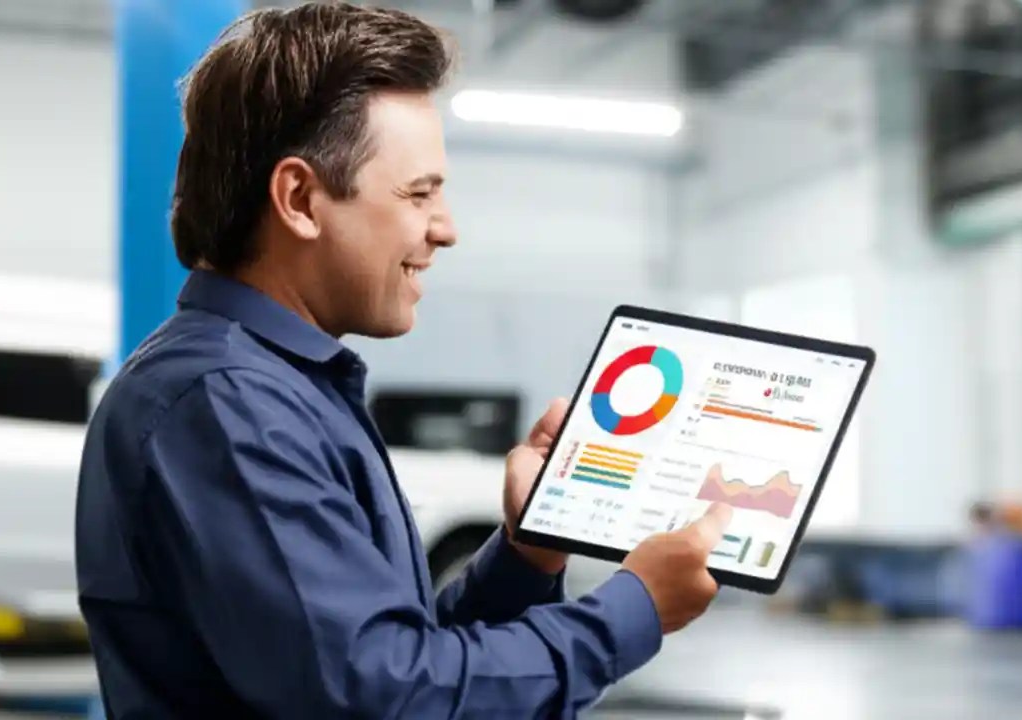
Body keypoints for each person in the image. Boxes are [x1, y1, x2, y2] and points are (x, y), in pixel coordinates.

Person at [75, 3, 732, 717]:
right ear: (300, 198)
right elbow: (383, 697)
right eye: (419, 194)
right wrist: (632, 610)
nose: (445, 229)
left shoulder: (283, 387)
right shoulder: (226, 404)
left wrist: (523, 555)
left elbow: (389, 654)